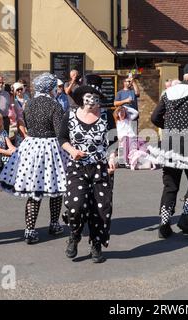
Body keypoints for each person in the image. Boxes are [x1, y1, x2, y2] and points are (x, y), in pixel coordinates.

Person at [0, 73, 67, 244]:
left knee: (33, 189)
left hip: (32, 145)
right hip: (51, 147)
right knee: (55, 187)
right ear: (50, 88)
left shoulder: (29, 104)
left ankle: (29, 230)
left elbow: (26, 124)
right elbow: (59, 132)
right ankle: (54, 224)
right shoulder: (54, 105)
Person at [59, 74, 117, 262]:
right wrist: (72, 151)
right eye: (89, 95)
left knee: (101, 209)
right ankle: (75, 235)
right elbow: (62, 139)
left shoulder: (107, 115)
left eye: (96, 95)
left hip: (101, 168)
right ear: (82, 96)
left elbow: (114, 141)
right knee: (75, 206)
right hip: (77, 167)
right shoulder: (69, 114)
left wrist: (113, 158)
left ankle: (96, 245)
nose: (92, 99)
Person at [149, 62, 188, 238]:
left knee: (170, 186)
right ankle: (185, 216)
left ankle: (164, 224)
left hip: (170, 144)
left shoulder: (168, 94)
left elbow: (154, 117)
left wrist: (168, 127)